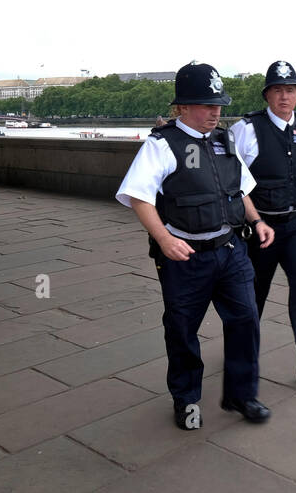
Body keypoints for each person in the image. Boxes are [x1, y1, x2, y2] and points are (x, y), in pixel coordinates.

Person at [116, 61, 277, 429]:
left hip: (230, 249)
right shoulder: (162, 145)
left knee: (245, 320)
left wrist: (256, 221)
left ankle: (242, 394)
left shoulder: (224, 140)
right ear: (183, 107)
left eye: (218, 104)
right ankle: (186, 400)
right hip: (185, 256)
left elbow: (241, 189)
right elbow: (138, 196)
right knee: (183, 330)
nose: (215, 111)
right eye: (207, 104)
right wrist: (165, 239)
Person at [229, 60, 296, 390]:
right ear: (267, 95)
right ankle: (243, 359)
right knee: (253, 296)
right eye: (278, 90)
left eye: (290, 90)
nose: (284, 96)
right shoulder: (246, 130)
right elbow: (233, 182)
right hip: (261, 228)